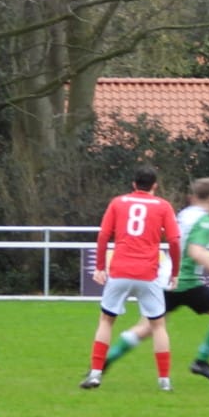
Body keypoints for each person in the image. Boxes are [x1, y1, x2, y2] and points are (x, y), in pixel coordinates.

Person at [104, 176, 209, 382]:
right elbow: (195, 251)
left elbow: (184, 246)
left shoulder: (184, 214)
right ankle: (201, 361)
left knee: (146, 328)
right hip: (186, 283)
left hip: (165, 279)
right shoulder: (204, 221)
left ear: (192, 197)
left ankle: (105, 361)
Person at [80, 166, 181, 391]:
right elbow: (174, 241)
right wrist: (174, 272)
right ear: (155, 185)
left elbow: (104, 235)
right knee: (158, 325)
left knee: (106, 320)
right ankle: (164, 381)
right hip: (148, 272)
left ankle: (95, 374)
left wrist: (99, 267)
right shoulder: (163, 206)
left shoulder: (118, 202)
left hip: (120, 270)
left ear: (134, 184)